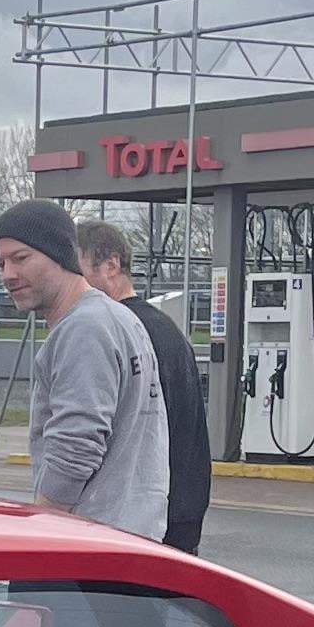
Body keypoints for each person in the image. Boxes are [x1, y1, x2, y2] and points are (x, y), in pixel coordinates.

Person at [0, 198, 168, 539]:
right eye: (1, 263)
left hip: (88, 541)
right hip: (131, 536)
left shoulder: (83, 328)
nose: (8, 275)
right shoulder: (118, 318)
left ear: (60, 254)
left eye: (21, 258)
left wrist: (44, 520)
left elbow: (77, 442)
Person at [75, 219, 212, 555]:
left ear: (111, 266)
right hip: (181, 510)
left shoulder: (119, 331)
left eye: (77, 272)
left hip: (146, 520)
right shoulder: (163, 328)